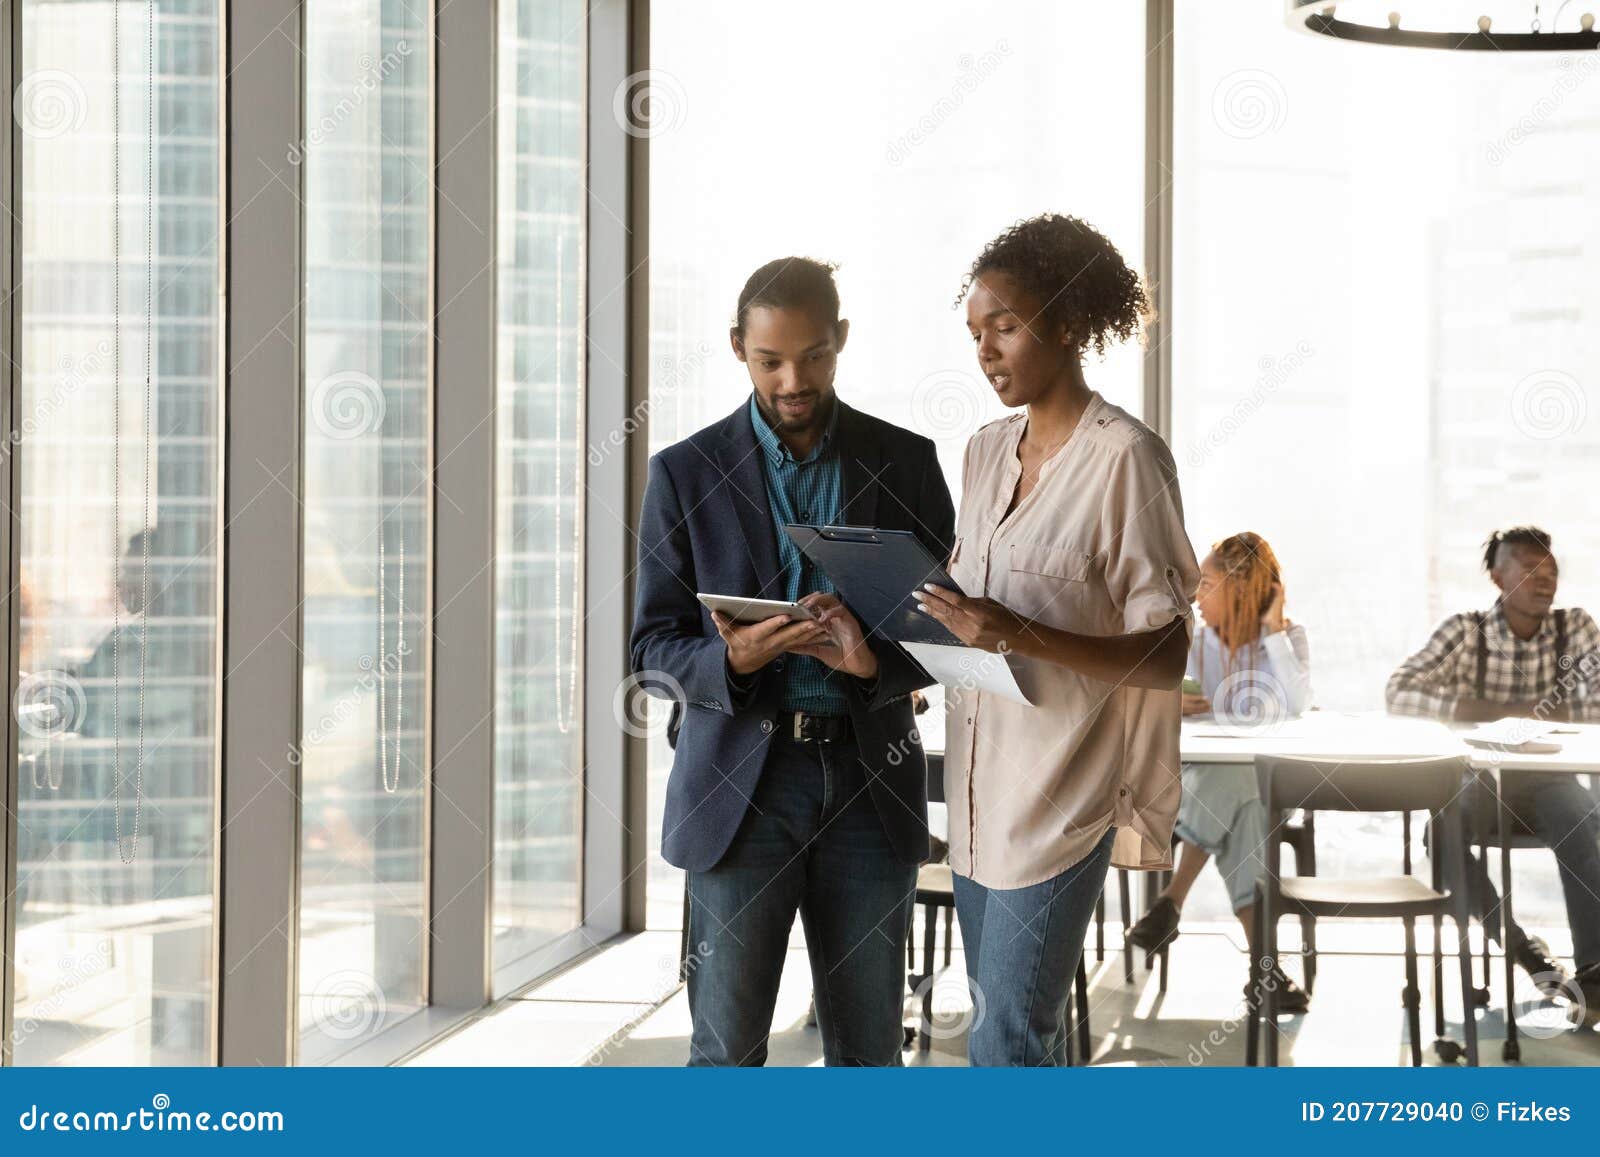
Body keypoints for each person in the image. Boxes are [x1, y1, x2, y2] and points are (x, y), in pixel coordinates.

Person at [631, 257, 956, 1066]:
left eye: (813, 355)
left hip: (868, 782)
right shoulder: (683, 473)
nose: (793, 379)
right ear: (737, 347)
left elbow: (951, 636)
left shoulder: (906, 462)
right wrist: (731, 660)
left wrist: (870, 668)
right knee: (727, 1054)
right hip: (742, 789)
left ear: (841, 340)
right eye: (770, 359)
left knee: (868, 1054)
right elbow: (650, 651)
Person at [915, 214, 1200, 1066]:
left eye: (1004, 325)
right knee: (1003, 1036)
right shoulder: (982, 452)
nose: (987, 351)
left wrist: (1020, 632)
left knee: (1008, 1042)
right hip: (973, 795)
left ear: (1067, 324)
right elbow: (978, 609)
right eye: (975, 333)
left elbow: (1168, 653)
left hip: (1057, 803)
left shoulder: (1128, 460)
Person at [1386, 525, 1600, 1015]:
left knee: (1579, 818)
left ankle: (1595, 973)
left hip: (1552, 782)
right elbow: (1398, 691)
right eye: (1530, 568)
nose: (1545, 580)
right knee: (1441, 832)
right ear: (1498, 576)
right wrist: (1478, 709)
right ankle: (1523, 950)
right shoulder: (1465, 632)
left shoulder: (1577, 627)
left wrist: (1537, 716)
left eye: (1552, 570)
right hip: (1483, 784)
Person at [1124, 532, 1313, 1010]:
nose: (1195, 595)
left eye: (1206, 583)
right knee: (1245, 805)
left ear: (1241, 588)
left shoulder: (1287, 639)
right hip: (1191, 783)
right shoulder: (1192, 639)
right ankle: (1263, 974)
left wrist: (1270, 629)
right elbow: (1137, 701)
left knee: (1246, 787)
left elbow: (1297, 707)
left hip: (1258, 784)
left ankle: (1171, 902)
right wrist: (1170, 703)